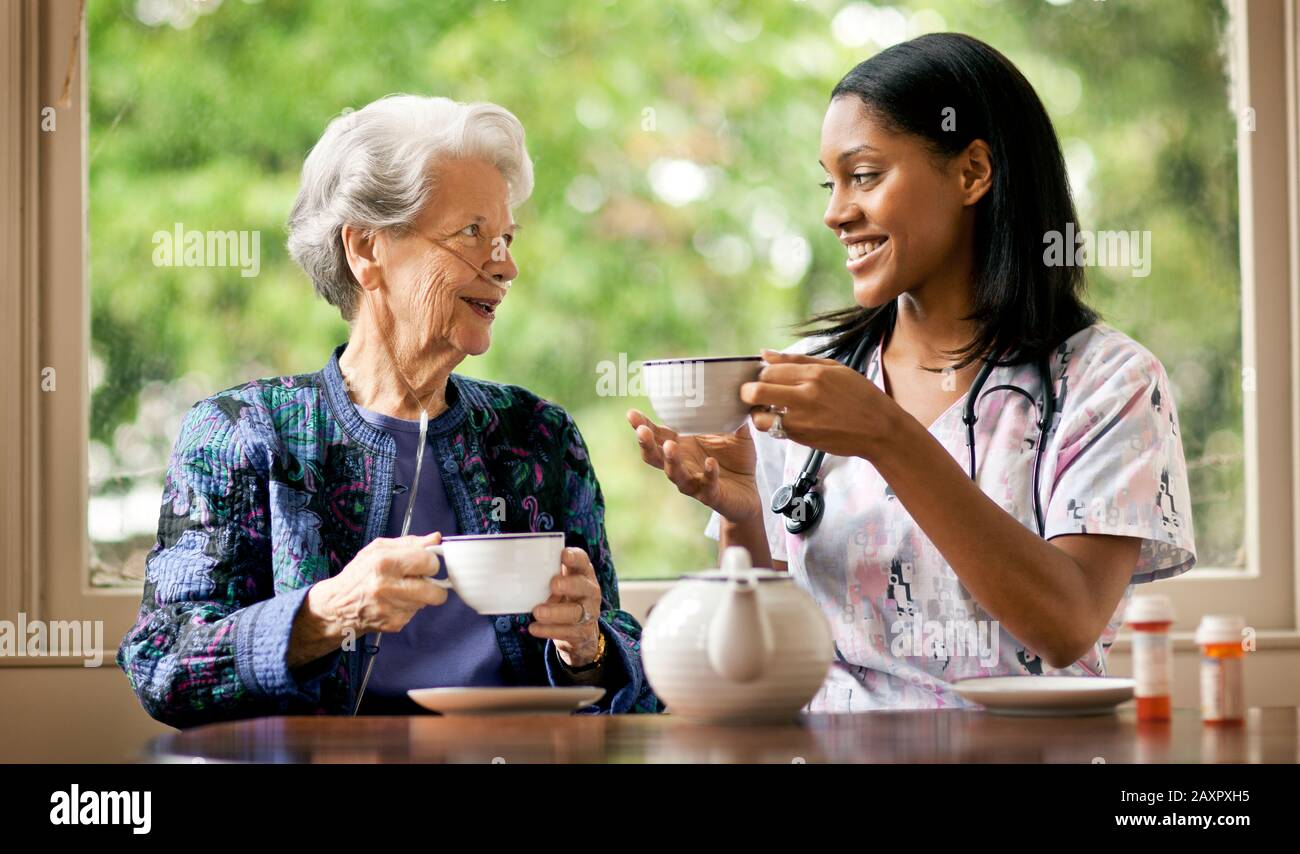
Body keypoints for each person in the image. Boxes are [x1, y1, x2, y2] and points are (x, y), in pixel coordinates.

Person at [629, 34, 1196, 711]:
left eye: (864, 175)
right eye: (829, 182)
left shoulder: (1108, 383)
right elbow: (767, 651)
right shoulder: (815, 381)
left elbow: (1066, 624)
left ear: (972, 172)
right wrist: (741, 516)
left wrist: (888, 436)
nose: (836, 212)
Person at [118, 94, 661, 726]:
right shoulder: (245, 432)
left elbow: (631, 684)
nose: (506, 265)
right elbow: (162, 666)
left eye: (507, 238)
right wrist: (326, 613)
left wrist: (588, 646)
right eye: (472, 233)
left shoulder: (539, 436)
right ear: (367, 250)